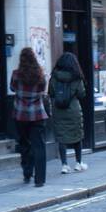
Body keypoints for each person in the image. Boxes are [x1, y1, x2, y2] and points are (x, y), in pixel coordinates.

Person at [10, 47, 48, 186]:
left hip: (20, 114)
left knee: (24, 144)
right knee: (39, 146)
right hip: (37, 114)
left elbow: (12, 88)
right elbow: (43, 89)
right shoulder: (40, 75)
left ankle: (27, 172)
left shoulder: (16, 74)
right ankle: (40, 180)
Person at [49, 52, 87, 173]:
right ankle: (78, 163)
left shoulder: (54, 76)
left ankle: (64, 165)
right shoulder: (76, 77)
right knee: (77, 136)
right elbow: (82, 94)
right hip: (73, 109)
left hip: (58, 110)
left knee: (62, 137)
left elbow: (50, 92)